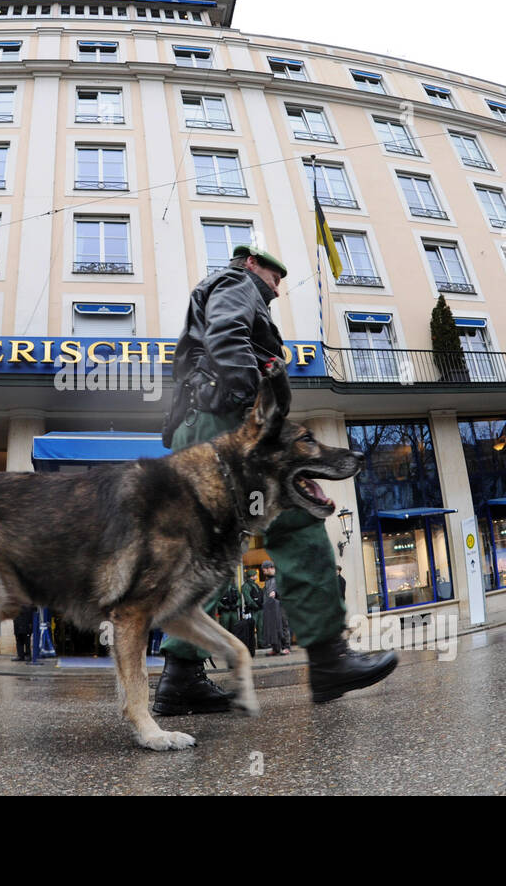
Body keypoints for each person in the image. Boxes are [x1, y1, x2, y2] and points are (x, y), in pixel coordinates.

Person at [152, 243, 397, 716]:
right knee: (297, 521)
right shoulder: (235, 283)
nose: (278, 286)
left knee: (214, 548)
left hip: (203, 423)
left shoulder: (229, 288)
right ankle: (329, 661)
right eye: (274, 275)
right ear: (250, 263)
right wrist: (254, 412)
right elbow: (226, 335)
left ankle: (181, 678)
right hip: (228, 419)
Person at [261, 562, 290, 655]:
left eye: (264, 570)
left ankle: (286, 647)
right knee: (272, 626)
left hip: (281, 605)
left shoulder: (280, 577)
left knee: (283, 625)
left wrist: (276, 593)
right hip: (271, 606)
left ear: (269, 568)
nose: (263, 572)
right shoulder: (268, 580)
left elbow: (286, 590)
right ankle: (276, 648)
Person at [242, 566, 264, 648]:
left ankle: (261, 643)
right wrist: (257, 606)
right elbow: (248, 599)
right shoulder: (246, 586)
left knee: (260, 627)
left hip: (259, 609)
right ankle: (252, 645)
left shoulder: (255, 585)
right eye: (255, 575)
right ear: (252, 576)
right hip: (253, 610)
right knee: (251, 628)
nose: (256, 576)